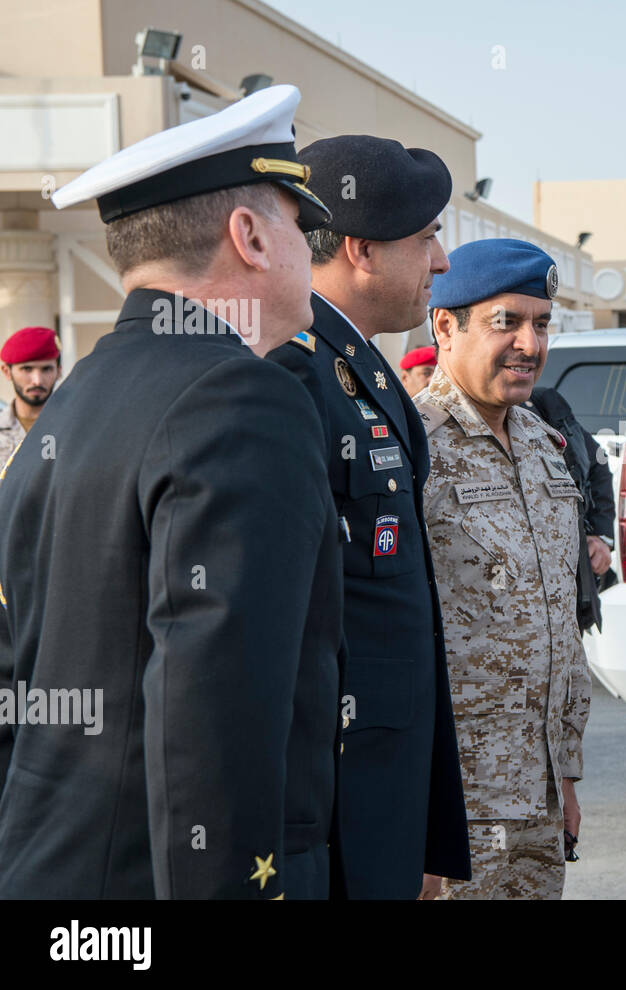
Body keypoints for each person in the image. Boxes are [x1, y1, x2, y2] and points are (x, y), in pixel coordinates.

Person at [0, 85, 343, 899]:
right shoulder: (242, 402)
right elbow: (213, 719)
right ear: (251, 235)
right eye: (303, 225)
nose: (312, 252)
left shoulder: (79, 397)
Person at [266, 135, 470, 899]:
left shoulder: (359, 362)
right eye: (426, 239)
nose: (442, 262)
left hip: (384, 782)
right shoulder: (295, 369)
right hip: (337, 792)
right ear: (361, 250)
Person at [416, 238, 590, 899]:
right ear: (445, 326)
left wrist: (566, 776)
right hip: (455, 800)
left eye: (541, 324)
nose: (529, 343)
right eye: (506, 322)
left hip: (536, 795)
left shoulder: (545, 447)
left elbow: (559, 626)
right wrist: (418, 820)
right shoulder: (411, 445)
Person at [524, 385, 617, 631]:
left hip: (569, 598)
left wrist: (599, 534)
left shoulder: (544, 404)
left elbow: (597, 460)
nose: (527, 348)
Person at [0, 327, 61, 466]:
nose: (37, 380)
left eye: (46, 369)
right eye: (27, 369)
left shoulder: (74, 428)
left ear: (58, 371)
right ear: (6, 371)